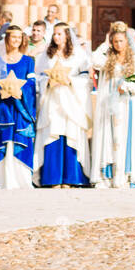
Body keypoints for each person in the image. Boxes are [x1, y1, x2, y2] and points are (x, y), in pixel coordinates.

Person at [89, 21, 135, 188]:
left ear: (127, 41)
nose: (118, 44)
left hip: (127, 105)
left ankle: (125, 174)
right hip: (110, 105)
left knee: (125, 138)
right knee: (112, 138)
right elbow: (94, 60)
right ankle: (111, 174)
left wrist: (128, 87)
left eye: (121, 41)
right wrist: (106, 40)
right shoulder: (107, 59)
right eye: (115, 41)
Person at [34, 21, 91, 187]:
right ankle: (52, 178)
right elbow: (38, 76)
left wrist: (70, 80)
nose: (56, 37)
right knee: (53, 134)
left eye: (60, 34)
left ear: (67, 36)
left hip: (72, 99)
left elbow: (86, 78)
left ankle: (71, 178)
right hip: (52, 100)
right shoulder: (47, 55)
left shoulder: (78, 55)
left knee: (70, 134)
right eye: (54, 34)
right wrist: (47, 82)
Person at [0, 24, 36, 188]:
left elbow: (32, 83)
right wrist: (0, 90)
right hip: (3, 107)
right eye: (13, 37)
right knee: (3, 138)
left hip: (20, 106)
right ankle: (2, 179)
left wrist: (21, 91)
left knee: (19, 138)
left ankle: (21, 179)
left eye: (19, 37)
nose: (16, 40)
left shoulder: (28, 61)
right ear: (7, 39)